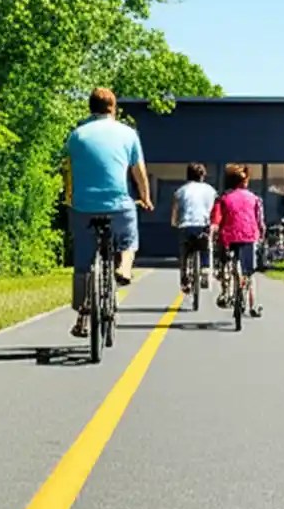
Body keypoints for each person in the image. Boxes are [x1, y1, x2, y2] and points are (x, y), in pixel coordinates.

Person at [63, 87, 154, 338]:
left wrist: (69, 198)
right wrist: (145, 198)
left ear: (90, 108)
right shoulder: (128, 134)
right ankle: (124, 267)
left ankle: (82, 314)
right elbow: (139, 172)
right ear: (113, 108)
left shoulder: (76, 135)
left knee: (83, 261)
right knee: (128, 238)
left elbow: (67, 169)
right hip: (118, 204)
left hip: (83, 205)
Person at [210, 164, 265, 316]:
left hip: (228, 237)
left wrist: (214, 232)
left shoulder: (223, 199)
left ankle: (225, 291)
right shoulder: (255, 198)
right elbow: (260, 221)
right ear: (245, 182)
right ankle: (253, 306)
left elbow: (216, 220)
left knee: (224, 261)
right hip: (249, 236)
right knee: (249, 272)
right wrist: (261, 234)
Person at [171, 162, 217, 294]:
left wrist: (174, 222)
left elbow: (175, 211)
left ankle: (185, 279)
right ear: (203, 176)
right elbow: (216, 209)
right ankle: (206, 268)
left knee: (184, 252)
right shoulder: (211, 190)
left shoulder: (180, 191)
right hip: (204, 225)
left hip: (186, 225)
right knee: (206, 247)